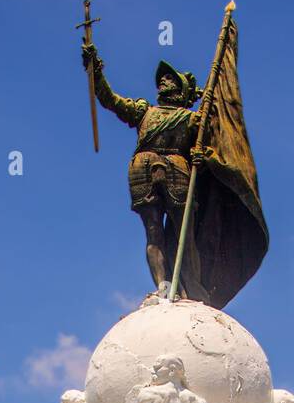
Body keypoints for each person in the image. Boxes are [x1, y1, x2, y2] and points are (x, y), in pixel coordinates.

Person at [81, 44, 208, 300]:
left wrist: (202, 157)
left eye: (170, 77)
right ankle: (162, 285)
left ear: (182, 89)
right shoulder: (144, 111)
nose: (162, 80)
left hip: (178, 169)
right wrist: (94, 70)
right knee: (153, 231)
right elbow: (110, 100)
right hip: (144, 167)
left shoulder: (195, 120)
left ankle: (190, 286)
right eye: (162, 78)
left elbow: (214, 150)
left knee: (185, 231)